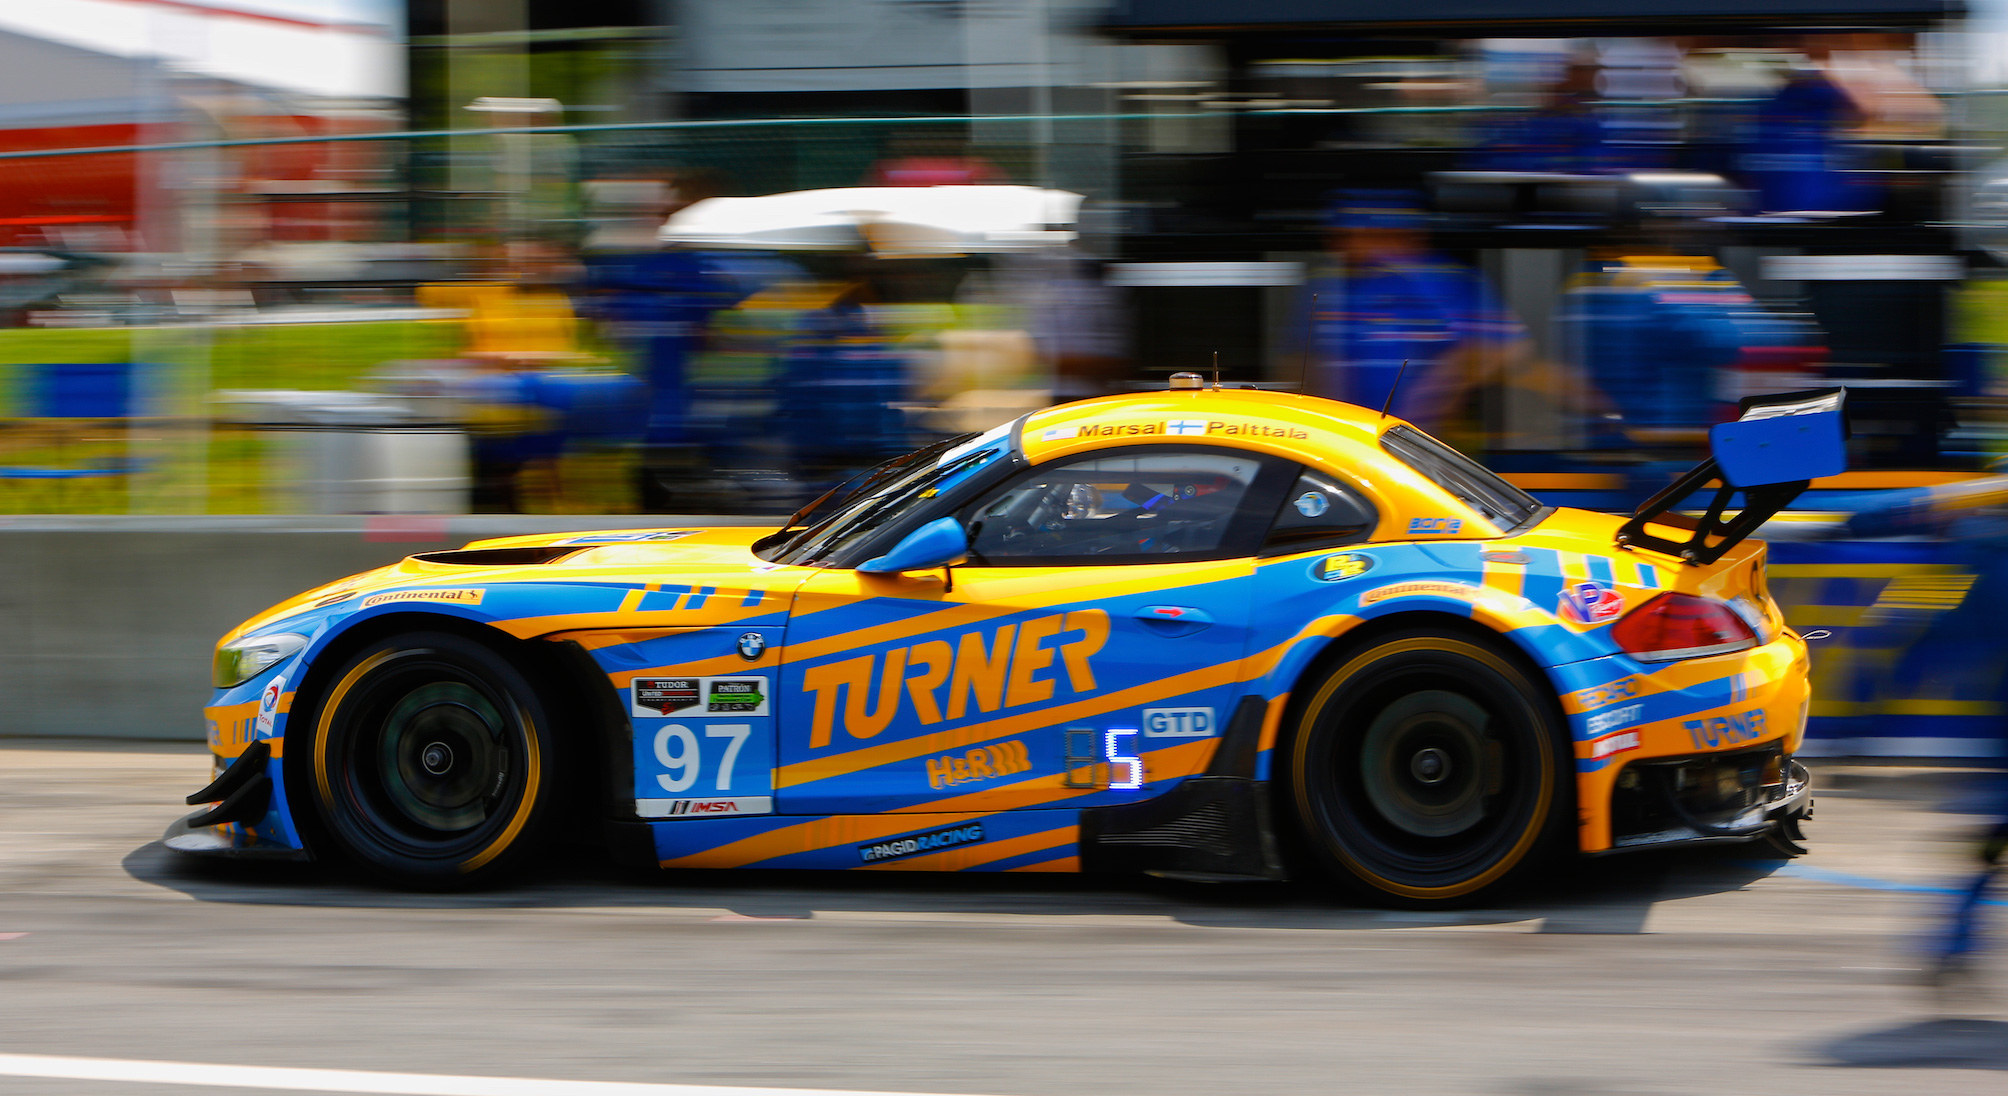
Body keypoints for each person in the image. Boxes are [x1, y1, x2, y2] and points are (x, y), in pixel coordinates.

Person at [1294, 190, 1526, 446]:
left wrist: (1442, 388)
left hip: (1428, 444)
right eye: (1340, 237)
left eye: (1355, 236)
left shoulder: (1446, 279)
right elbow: (1300, 363)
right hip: (1348, 438)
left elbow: (1508, 348)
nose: (1341, 246)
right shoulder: (1326, 287)